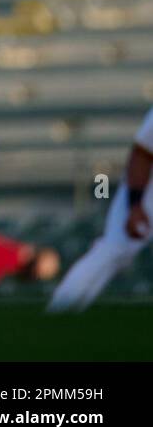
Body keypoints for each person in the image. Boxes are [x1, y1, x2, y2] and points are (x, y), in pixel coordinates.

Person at [48, 106, 153, 312]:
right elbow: (141, 154)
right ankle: (61, 309)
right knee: (115, 248)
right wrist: (135, 205)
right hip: (147, 191)